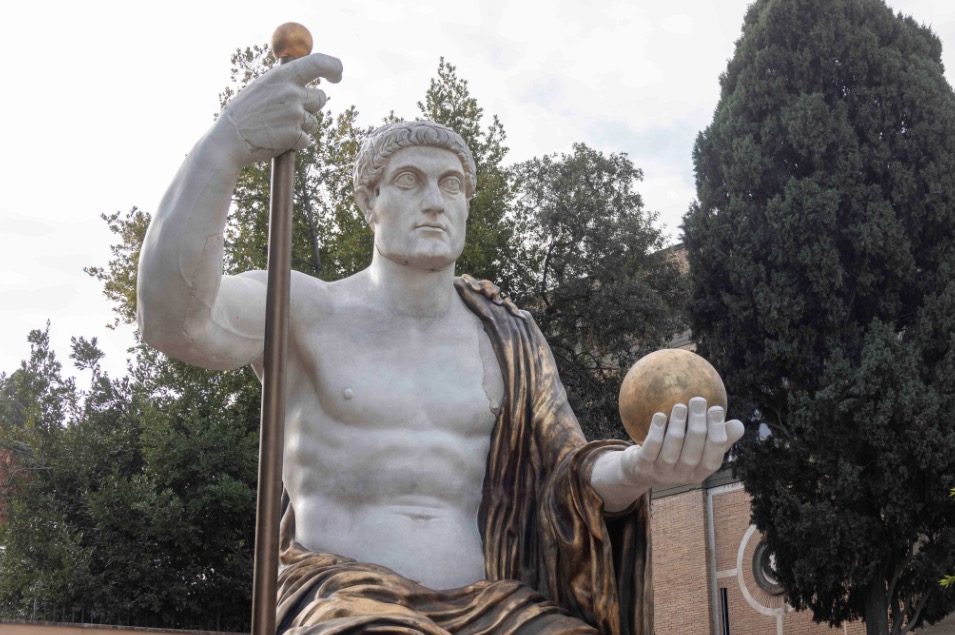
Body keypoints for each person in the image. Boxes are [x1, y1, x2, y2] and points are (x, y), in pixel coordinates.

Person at [137, 52, 744, 634]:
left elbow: (568, 480)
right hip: (345, 600)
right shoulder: (307, 309)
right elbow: (175, 320)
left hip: (493, 609)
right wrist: (227, 144)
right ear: (369, 202)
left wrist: (640, 467)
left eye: (451, 185)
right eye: (409, 181)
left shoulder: (508, 336)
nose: (434, 201)